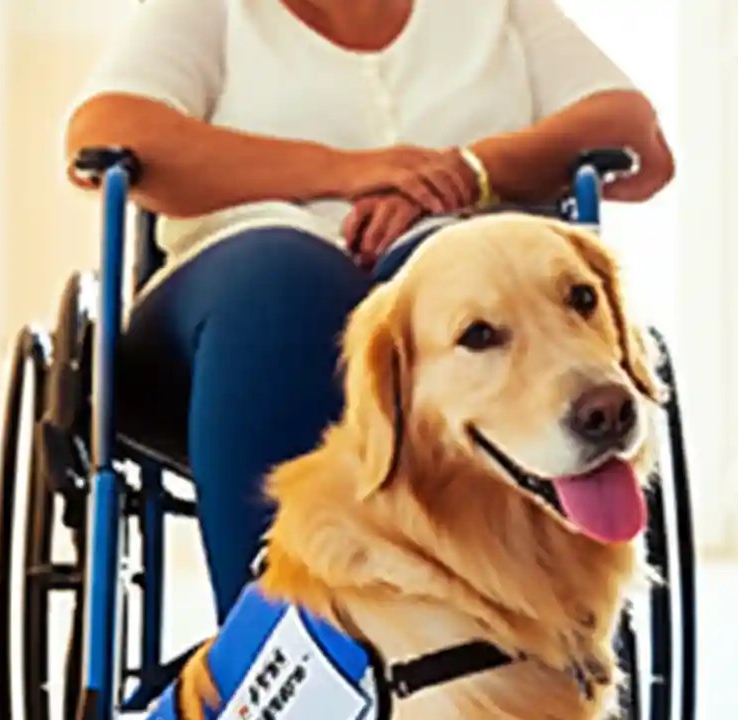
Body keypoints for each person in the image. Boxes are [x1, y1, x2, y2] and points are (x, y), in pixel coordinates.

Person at [65, 0, 675, 621]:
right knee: (283, 287)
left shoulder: (498, 11)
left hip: (447, 278)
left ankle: (499, 651)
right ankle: (282, 658)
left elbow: (632, 134)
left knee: (454, 272)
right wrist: (349, 172)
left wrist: (469, 172)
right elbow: (108, 129)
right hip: (242, 295)